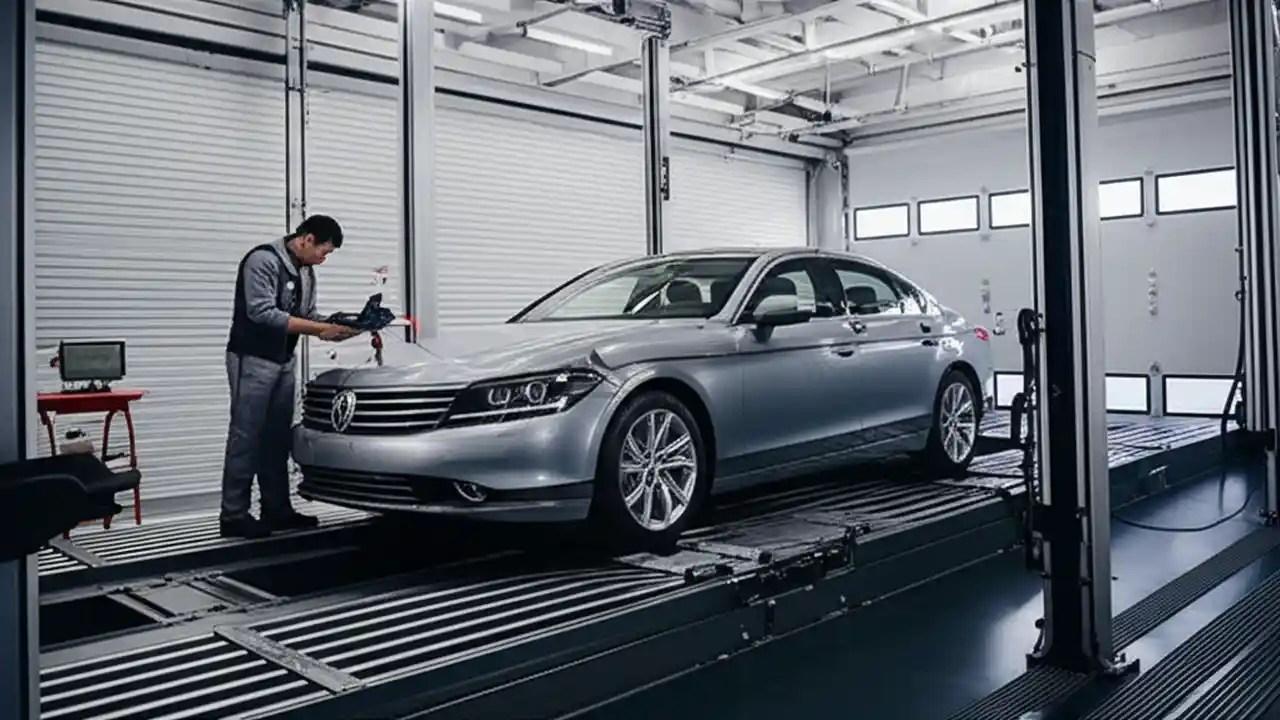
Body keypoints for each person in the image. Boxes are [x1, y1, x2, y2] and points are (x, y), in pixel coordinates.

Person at [219, 215, 359, 539]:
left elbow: (307, 317)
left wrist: (342, 327)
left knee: (277, 438)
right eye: (323, 252)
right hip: (252, 359)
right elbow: (262, 312)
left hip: (283, 360)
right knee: (246, 436)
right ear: (306, 239)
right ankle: (233, 514)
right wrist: (321, 329)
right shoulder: (262, 261)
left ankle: (276, 509)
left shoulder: (306, 271)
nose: (323, 259)